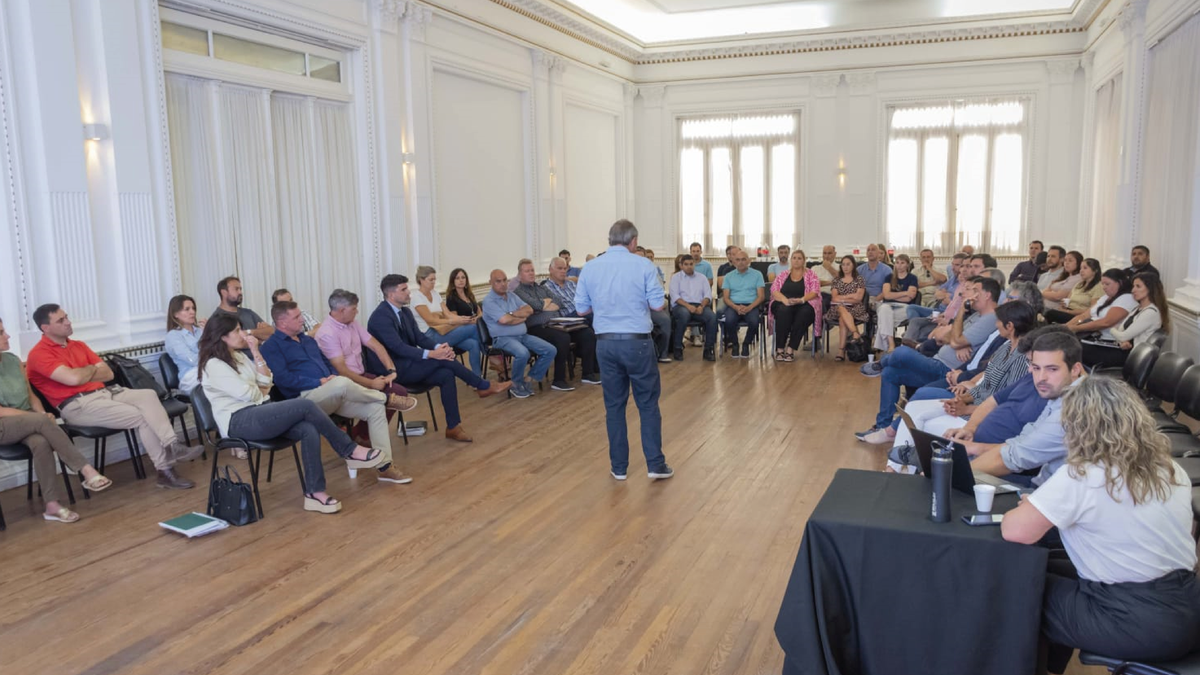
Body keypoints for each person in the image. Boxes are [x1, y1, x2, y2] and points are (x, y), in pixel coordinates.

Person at [1001, 376, 1200, 673]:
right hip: (1189, 608)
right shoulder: (1169, 468)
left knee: (1018, 586)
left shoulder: (1083, 475)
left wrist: (1032, 506)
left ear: (1076, 426)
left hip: (1134, 622)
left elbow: (1014, 531)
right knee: (1050, 567)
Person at [199, 314, 383, 513]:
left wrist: (255, 351)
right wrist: (258, 388)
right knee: (305, 406)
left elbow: (268, 381)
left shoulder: (239, 356)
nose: (242, 334)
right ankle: (349, 449)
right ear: (222, 336)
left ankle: (314, 493)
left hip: (257, 412)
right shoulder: (213, 365)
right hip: (238, 421)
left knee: (307, 428)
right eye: (236, 331)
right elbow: (249, 394)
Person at [25, 304, 201, 490]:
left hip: (107, 393)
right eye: (61, 320)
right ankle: (165, 470)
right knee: (143, 417)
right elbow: (72, 379)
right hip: (77, 405)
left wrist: (83, 373)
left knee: (148, 395)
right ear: (45, 328)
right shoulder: (39, 354)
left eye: (66, 317)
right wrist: (92, 369)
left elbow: (107, 374)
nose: (68, 322)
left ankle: (173, 445)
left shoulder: (79, 345)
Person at [261, 300, 413, 485]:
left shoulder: (307, 340)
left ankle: (384, 467)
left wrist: (330, 377)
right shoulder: (271, 347)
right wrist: (320, 382)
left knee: (375, 408)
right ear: (282, 322)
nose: (302, 320)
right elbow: (284, 380)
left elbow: (327, 364)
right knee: (343, 383)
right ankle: (387, 398)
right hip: (305, 401)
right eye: (297, 317)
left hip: (331, 392)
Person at [866, 300, 1039, 450]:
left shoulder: (1023, 358)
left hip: (981, 415)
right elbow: (985, 384)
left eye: (999, 322)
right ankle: (896, 464)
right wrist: (963, 399)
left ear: (1010, 326)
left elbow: (1005, 401)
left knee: (922, 417)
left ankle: (903, 460)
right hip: (971, 401)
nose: (996, 325)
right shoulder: (1005, 347)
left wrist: (967, 406)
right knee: (913, 407)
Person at [574, 219, 672, 482]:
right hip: (637, 342)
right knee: (648, 404)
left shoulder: (590, 267)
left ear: (609, 239)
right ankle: (655, 464)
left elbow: (582, 309)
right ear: (634, 241)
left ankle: (619, 468)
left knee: (614, 406)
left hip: (605, 343)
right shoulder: (643, 265)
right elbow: (657, 305)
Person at [367, 274, 510, 442]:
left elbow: (419, 338)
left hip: (410, 363)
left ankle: (453, 427)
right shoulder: (380, 317)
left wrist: (438, 347)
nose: (409, 293)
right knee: (443, 360)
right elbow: (398, 348)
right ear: (391, 295)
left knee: (446, 375)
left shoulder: (404, 311)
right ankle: (482, 386)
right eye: (404, 289)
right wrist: (433, 354)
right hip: (393, 369)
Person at [857, 277, 1001, 439]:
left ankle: (880, 363)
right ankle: (883, 426)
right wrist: (956, 338)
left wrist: (958, 335)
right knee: (890, 373)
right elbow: (946, 335)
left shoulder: (991, 318)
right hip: (937, 360)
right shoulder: (976, 315)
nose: (970, 295)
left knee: (902, 353)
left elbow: (955, 339)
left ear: (987, 295)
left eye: (976, 291)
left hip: (947, 369)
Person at [0, 318, 111, 523]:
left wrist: (41, 413)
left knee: (41, 442)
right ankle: (86, 470)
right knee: (44, 423)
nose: (7, 335)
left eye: (4, 330)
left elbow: (30, 394)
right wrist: (38, 419)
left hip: (26, 420)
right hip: (4, 425)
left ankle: (51, 505)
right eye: (1, 333)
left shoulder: (13, 360)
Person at [956, 330, 1085, 487]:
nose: (1041, 377)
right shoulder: (1059, 394)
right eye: (1036, 368)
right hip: (1046, 487)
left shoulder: (1074, 410)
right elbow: (1021, 442)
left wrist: (952, 473)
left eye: (1052, 369)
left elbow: (1014, 457)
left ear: (1075, 369)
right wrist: (973, 450)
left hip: (1053, 496)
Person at [315, 289, 419, 442]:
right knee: (388, 396)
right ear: (342, 310)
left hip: (361, 375)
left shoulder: (352, 323)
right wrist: (371, 383)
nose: (357, 312)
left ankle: (360, 435)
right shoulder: (327, 333)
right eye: (354, 309)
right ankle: (363, 437)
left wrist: (391, 369)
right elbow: (341, 371)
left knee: (400, 392)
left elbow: (376, 345)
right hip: (344, 383)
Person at [512, 258, 599, 388]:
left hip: (556, 323)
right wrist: (544, 303)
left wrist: (542, 305)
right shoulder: (519, 291)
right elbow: (535, 305)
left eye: (532, 270)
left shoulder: (539, 287)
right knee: (562, 338)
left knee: (587, 333)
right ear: (520, 274)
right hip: (536, 327)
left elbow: (558, 301)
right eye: (527, 271)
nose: (531, 273)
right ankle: (558, 380)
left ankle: (588, 373)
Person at [481, 270, 557, 399]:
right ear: (490, 283)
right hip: (502, 338)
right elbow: (504, 320)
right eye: (498, 281)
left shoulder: (511, 295)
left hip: (522, 336)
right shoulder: (489, 301)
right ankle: (515, 384)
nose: (503, 284)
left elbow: (529, 310)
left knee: (550, 350)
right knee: (522, 353)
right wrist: (518, 316)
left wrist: (511, 314)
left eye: (505, 280)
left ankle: (528, 379)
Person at [1082, 272, 1169, 368]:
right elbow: (1121, 331)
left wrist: (1113, 330)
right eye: (1133, 286)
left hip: (1131, 357)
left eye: (1138, 286)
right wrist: (1122, 340)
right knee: (1079, 346)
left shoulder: (1151, 312)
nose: (1133, 290)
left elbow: (1122, 335)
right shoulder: (1138, 308)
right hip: (1122, 349)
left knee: (1078, 350)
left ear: (1150, 288)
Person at [409, 266, 483, 375]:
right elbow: (430, 320)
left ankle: (478, 378)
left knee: (473, 344)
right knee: (473, 328)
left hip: (442, 331)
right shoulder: (417, 297)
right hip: (429, 336)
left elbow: (447, 313)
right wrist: (453, 322)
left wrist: (462, 319)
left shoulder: (435, 293)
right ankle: (492, 356)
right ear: (421, 280)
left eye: (434, 279)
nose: (434, 282)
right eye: (431, 280)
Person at [542, 257, 605, 383]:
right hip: (565, 320)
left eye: (565, 268)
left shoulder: (571, 284)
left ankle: (589, 373)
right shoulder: (546, 287)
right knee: (596, 319)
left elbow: (584, 299)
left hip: (580, 320)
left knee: (590, 334)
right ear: (550, 269)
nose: (563, 271)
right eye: (559, 268)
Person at [768, 249, 822, 362]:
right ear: (791, 260)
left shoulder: (811, 274)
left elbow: (815, 291)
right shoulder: (783, 275)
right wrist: (785, 300)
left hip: (804, 302)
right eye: (794, 258)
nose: (796, 261)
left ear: (804, 260)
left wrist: (801, 300)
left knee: (804, 313)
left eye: (799, 258)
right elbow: (774, 290)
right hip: (783, 302)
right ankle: (780, 348)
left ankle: (791, 348)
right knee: (784, 311)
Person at [1065, 269, 1135, 341]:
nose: (1104, 287)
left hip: (1104, 339)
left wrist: (1076, 328)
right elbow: (1084, 316)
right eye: (1102, 284)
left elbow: (1105, 323)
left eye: (1107, 284)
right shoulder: (1105, 297)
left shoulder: (1127, 298)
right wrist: (1066, 327)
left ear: (1120, 283)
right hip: (1087, 332)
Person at [669, 254, 717, 361]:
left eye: (691, 264)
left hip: (699, 306)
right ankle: (677, 347)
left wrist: (702, 306)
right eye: (686, 264)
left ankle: (708, 349)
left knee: (712, 317)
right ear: (681, 265)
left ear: (694, 264)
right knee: (684, 315)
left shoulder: (702, 278)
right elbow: (675, 296)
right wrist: (688, 306)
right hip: (681, 306)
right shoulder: (676, 278)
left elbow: (708, 295)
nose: (689, 266)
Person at [721, 249, 766, 358]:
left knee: (754, 322)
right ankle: (735, 344)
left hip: (752, 305)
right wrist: (736, 307)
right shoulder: (728, 276)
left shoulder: (757, 274)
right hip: (733, 305)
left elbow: (761, 296)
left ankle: (746, 343)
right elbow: (726, 298)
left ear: (749, 261)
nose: (740, 262)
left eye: (743, 259)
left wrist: (750, 307)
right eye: (738, 260)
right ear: (734, 261)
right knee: (729, 320)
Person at [871, 253, 919, 353]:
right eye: (897, 263)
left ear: (907, 265)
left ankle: (882, 342)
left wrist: (894, 295)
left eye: (902, 263)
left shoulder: (912, 278)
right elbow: (886, 295)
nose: (899, 265)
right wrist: (905, 293)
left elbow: (910, 298)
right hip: (887, 305)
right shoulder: (889, 277)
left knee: (884, 318)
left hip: (904, 307)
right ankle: (891, 343)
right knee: (884, 310)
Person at [828, 255, 868, 361]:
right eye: (843, 264)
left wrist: (842, 298)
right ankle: (855, 333)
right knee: (841, 308)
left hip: (856, 308)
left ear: (853, 265)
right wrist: (850, 296)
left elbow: (858, 298)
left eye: (848, 264)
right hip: (836, 308)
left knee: (842, 318)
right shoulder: (836, 280)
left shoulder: (859, 279)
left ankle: (841, 351)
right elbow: (834, 297)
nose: (845, 267)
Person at [164, 294, 204, 393]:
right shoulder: (173, 336)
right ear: (175, 314)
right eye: (187, 309)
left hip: (208, 369)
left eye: (193, 308)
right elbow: (192, 360)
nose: (192, 312)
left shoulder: (201, 331)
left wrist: (210, 333)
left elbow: (217, 351)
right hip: (190, 376)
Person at [212, 276, 273, 342]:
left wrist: (249, 332)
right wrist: (259, 337)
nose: (240, 292)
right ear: (224, 292)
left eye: (240, 289)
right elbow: (234, 344)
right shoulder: (217, 318)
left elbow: (272, 332)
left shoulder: (248, 313)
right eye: (236, 289)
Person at [1045, 258, 1103, 324]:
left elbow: (1092, 310)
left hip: (1080, 317)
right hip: (1068, 311)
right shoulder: (1079, 284)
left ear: (1095, 271)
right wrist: (1063, 304)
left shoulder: (1098, 287)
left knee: (1049, 313)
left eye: (1085, 268)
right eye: (1081, 268)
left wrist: (1068, 312)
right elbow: (1068, 299)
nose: (1081, 271)